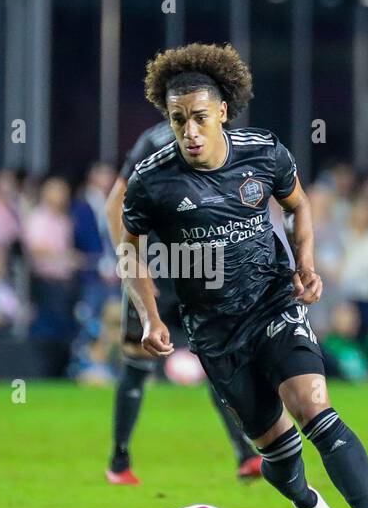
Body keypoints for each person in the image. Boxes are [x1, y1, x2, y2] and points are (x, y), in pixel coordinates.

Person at [120, 42, 368, 508]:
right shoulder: (152, 180)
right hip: (213, 331)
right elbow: (129, 249)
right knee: (274, 448)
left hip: (273, 301)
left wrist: (307, 265)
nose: (190, 132)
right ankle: (306, 502)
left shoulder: (264, 153)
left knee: (314, 407)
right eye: (178, 120)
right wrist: (152, 317)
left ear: (223, 110)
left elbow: (298, 206)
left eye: (200, 118)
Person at [103, 119, 261, 484]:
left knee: (220, 359)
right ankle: (119, 461)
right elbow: (116, 204)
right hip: (157, 265)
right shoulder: (156, 141)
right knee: (138, 360)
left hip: (203, 267)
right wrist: (132, 267)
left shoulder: (235, 142)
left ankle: (245, 454)